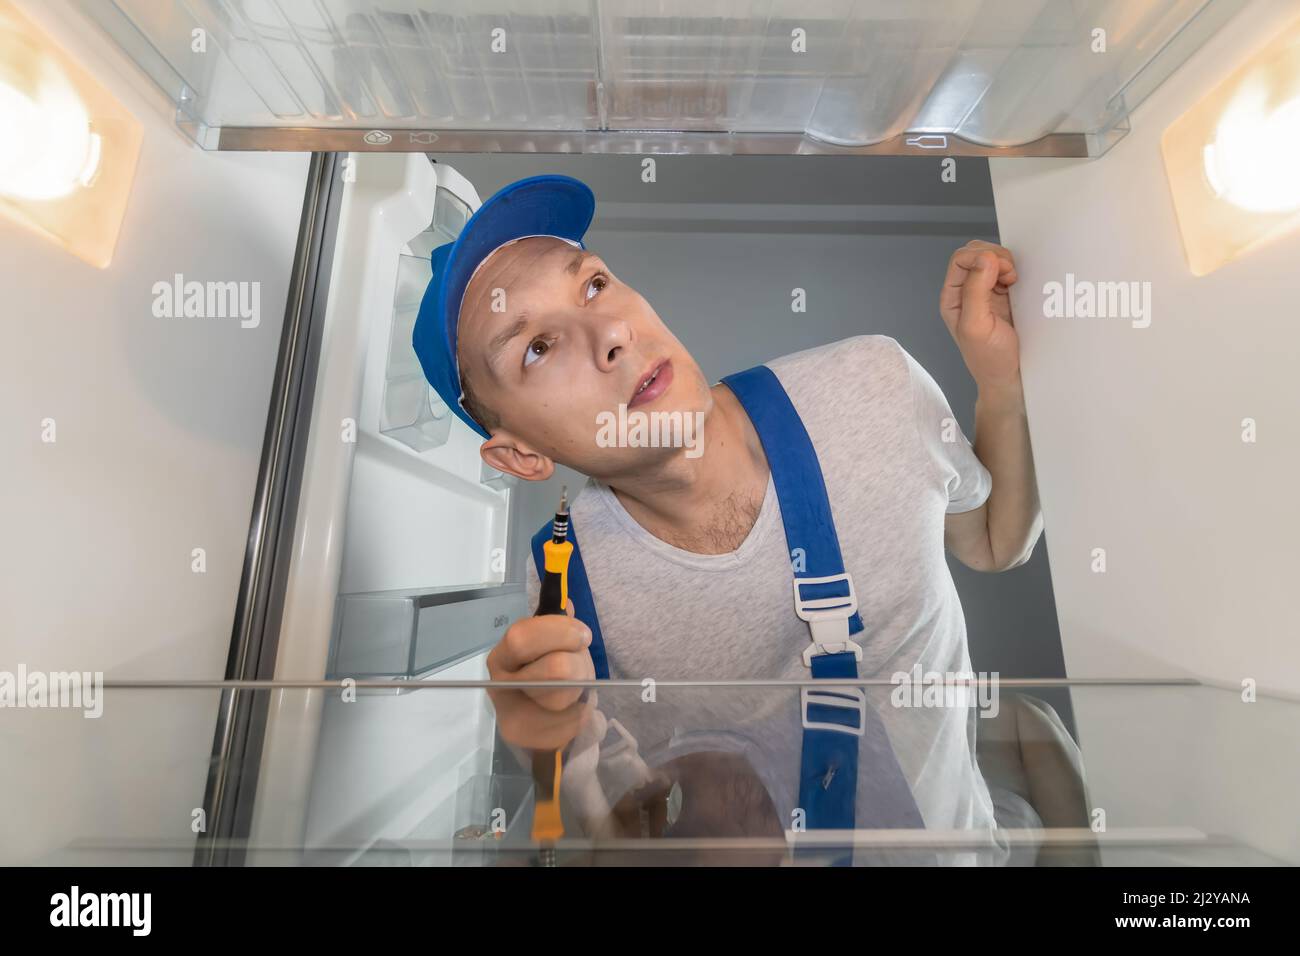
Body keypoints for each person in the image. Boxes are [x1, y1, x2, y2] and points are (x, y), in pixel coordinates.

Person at [413, 174, 1044, 857]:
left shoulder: (875, 385)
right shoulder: (567, 609)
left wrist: (1003, 382)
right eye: (537, 346)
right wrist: (555, 762)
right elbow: (632, 838)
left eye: (593, 285)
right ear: (521, 456)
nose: (611, 334)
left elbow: (993, 541)